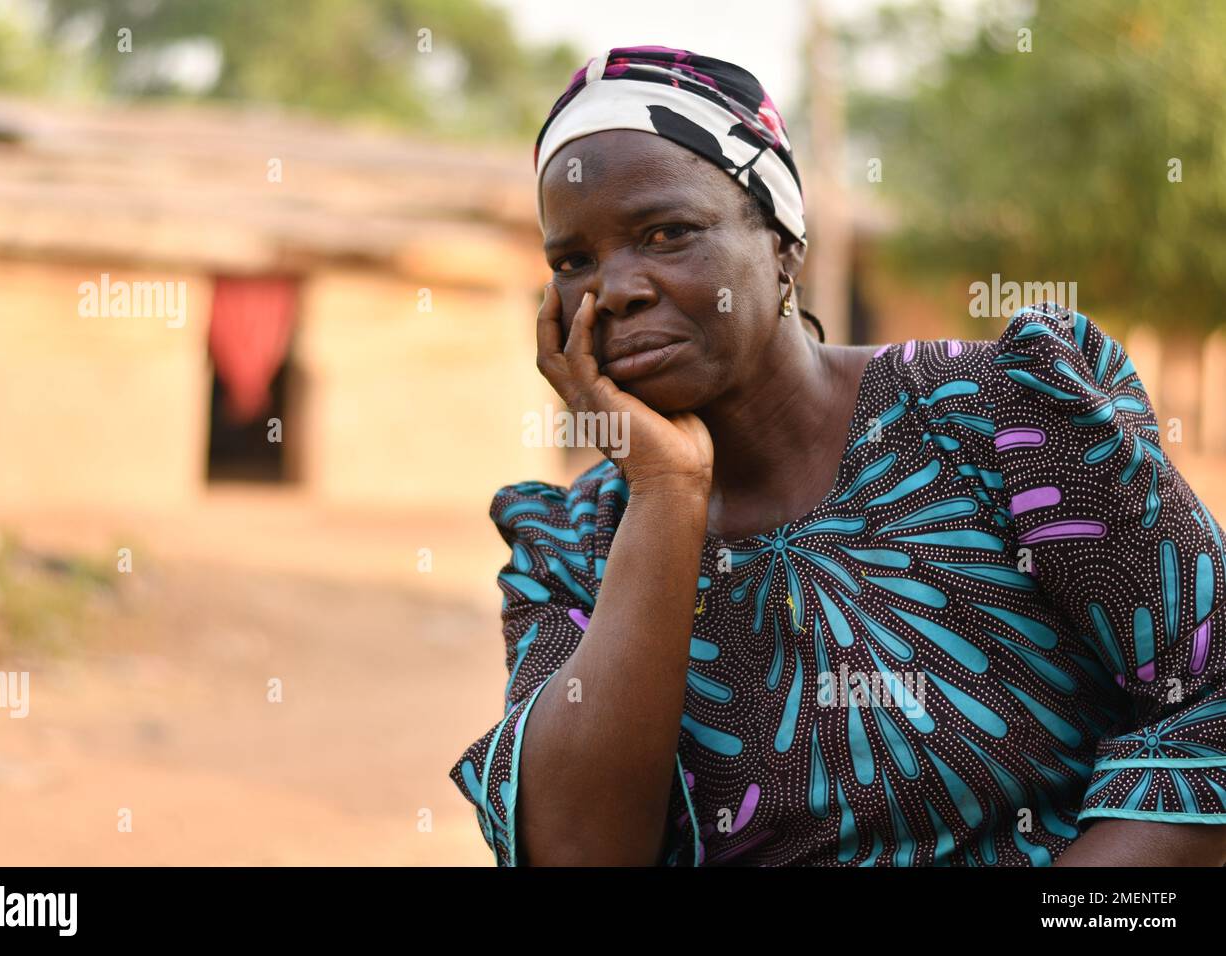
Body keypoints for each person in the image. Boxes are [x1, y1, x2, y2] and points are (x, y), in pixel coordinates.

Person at [447, 45, 1226, 866]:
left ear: (783, 243)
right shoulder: (572, 548)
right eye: (574, 262)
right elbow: (579, 850)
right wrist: (667, 491)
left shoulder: (1000, 418)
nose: (616, 290)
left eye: (667, 233)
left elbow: (1208, 697)